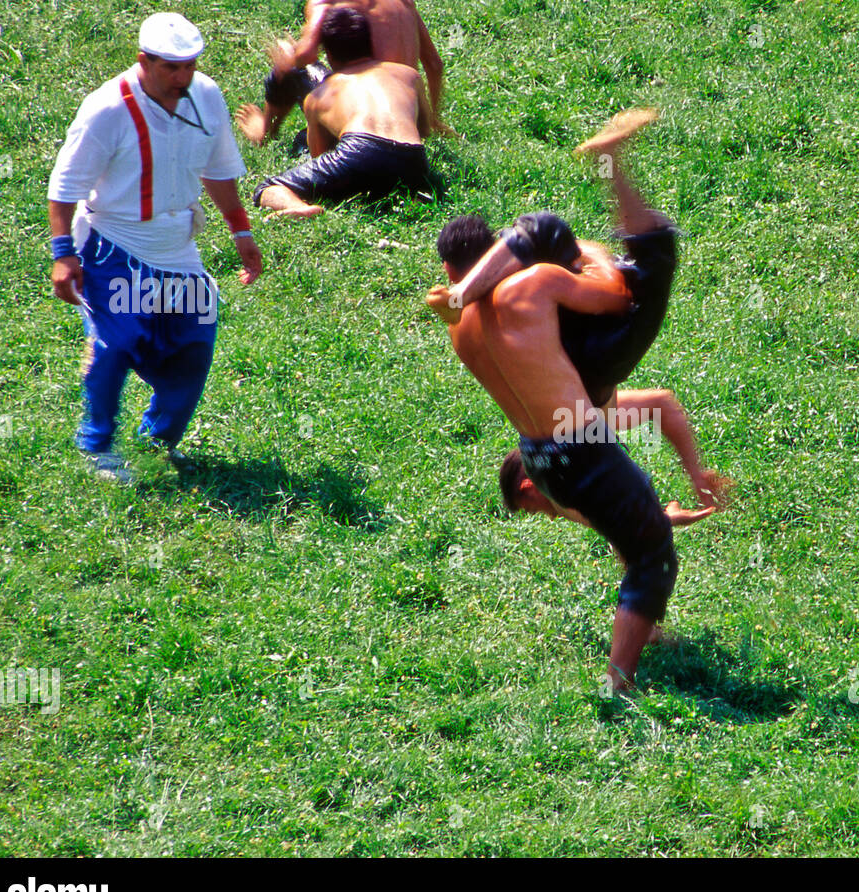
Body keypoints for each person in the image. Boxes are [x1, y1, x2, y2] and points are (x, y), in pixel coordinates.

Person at [434, 110, 700, 691]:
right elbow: (614, 297)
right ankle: (618, 685)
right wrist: (589, 256)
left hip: (539, 458)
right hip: (582, 442)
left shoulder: (461, 330)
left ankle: (642, 634)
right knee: (653, 553)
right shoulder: (531, 286)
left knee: (637, 525)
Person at [48, 12, 262, 483]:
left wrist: (241, 231)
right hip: (113, 241)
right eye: (171, 67)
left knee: (194, 345)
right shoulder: (106, 109)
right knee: (117, 339)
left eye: (189, 65)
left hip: (175, 244)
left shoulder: (204, 96)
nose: (182, 77)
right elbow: (63, 187)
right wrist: (63, 254)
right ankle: (96, 446)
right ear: (143, 60)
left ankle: (157, 443)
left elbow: (218, 168)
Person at [252, 7, 434, 219]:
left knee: (268, 188)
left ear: (328, 54)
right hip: (414, 163)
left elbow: (320, 155)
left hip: (360, 152)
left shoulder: (319, 96)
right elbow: (424, 129)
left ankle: (299, 206)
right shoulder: (409, 75)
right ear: (370, 41)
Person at [497, 388, 730, 530]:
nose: (549, 517)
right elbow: (660, 405)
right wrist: (695, 475)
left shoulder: (565, 498)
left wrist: (665, 519)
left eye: (535, 510)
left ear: (529, 487)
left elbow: (627, 525)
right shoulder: (575, 417)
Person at [234, 0, 445, 148]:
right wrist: (433, 119)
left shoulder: (326, 1)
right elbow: (435, 65)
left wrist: (288, 57)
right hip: (410, 118)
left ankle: (264, 132)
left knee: (292, 69)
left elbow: (306, 55)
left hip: (366, 119)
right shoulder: (405, 2)